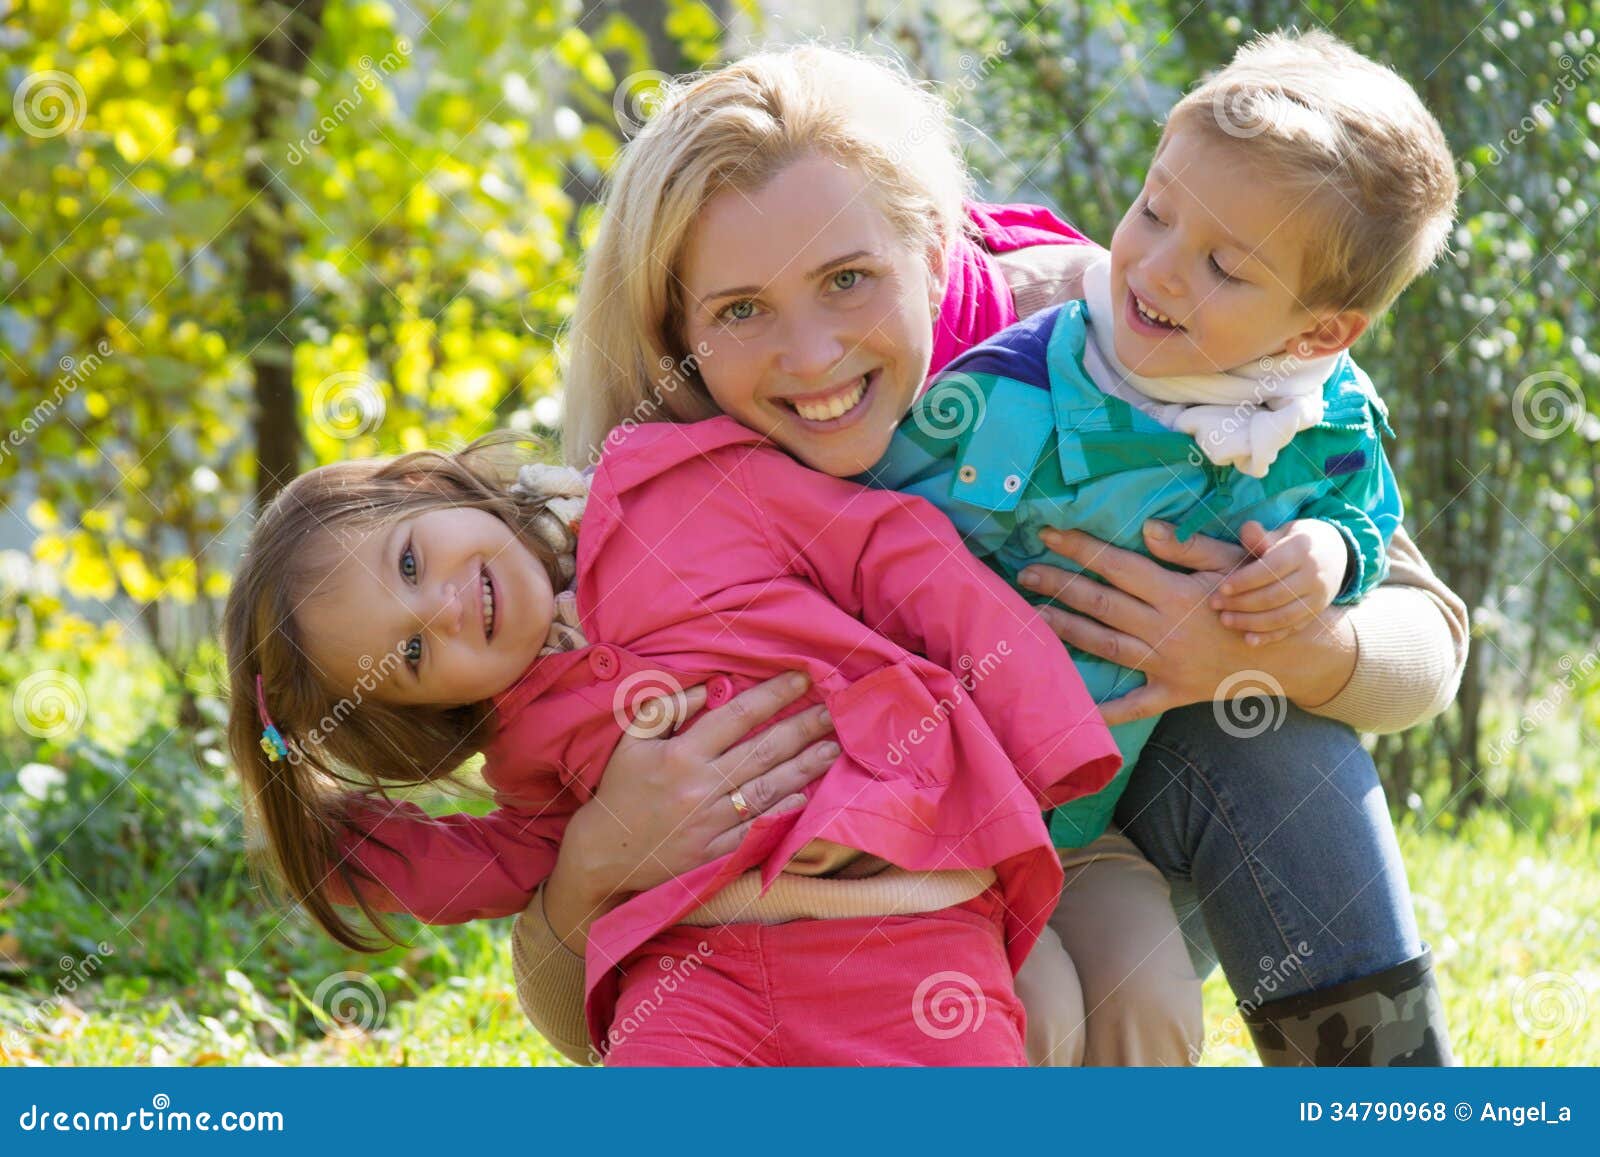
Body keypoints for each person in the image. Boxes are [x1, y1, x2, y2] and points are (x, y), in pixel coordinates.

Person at [515, 42, 1467, 1066]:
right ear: (676, 335)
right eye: (740, 309)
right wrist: (599, 853)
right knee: (1004, 1001)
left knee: (1274, 738)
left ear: (931, 249)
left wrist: (1268, 647)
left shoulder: (1135, 327)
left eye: (849, 279)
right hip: (859, 900)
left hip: (1108, 811)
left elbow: (1426, 637)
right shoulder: (651, 509)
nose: (812, 356)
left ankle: (1390, 1095)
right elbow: (578, 1020)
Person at [223, 430, 1121, 1065]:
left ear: (427, 490)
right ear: (431, 707)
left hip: (906, 928)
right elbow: (508, 863)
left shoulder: (675, 486)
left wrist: (1045, 725)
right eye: (412, 653)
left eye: (412, 563)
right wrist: (348, 846)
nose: (445, 609)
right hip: (696, 970)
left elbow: (889, 549)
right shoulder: (526, 751)